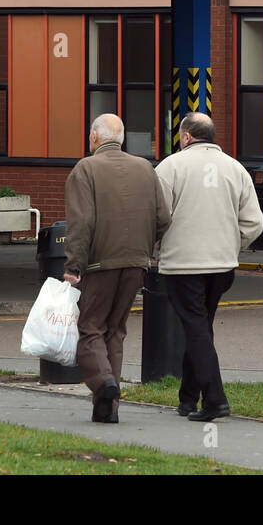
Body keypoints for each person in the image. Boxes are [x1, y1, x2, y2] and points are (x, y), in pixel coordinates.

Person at [154, 111, 263, 421]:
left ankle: (215, 400)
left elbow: (158, 217)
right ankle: (187, 398)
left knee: (196, 328)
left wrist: (158, 246)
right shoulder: (236, 168)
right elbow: (254, 222)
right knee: (200, 327)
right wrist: (234, 243)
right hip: (222, 266)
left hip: (183, 264)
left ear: (186, 137)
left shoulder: (170, 167)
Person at [63, 113, 170, 423]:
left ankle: (103, 383)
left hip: (99, 263)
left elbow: (81, 223)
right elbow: (163, 219)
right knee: (115, 332)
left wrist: (74, 265)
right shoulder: (145, 169)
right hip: (137, 262)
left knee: (90, 328)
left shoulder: (86, 168)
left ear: (95, 138)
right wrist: (144, 247)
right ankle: (107, 408)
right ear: (120, 139)